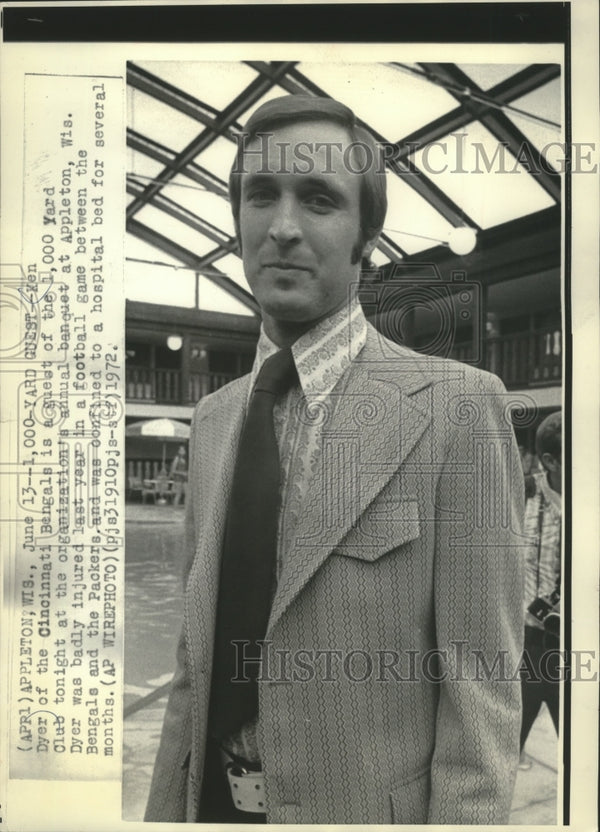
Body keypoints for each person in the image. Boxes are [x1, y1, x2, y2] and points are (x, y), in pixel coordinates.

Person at [145, 95, 524, 825]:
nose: (283, 227)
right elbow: (194, 669)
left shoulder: (459, 410)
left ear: (365, 239)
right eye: (262, 196)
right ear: (237, 221)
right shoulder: (216, 419)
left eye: (318, 199)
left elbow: (480, 697)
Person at [519, 411, 561, 764]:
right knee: (501, 760)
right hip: (526, 650)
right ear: (550, 460)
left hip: (577, 654)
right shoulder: (523, 495)